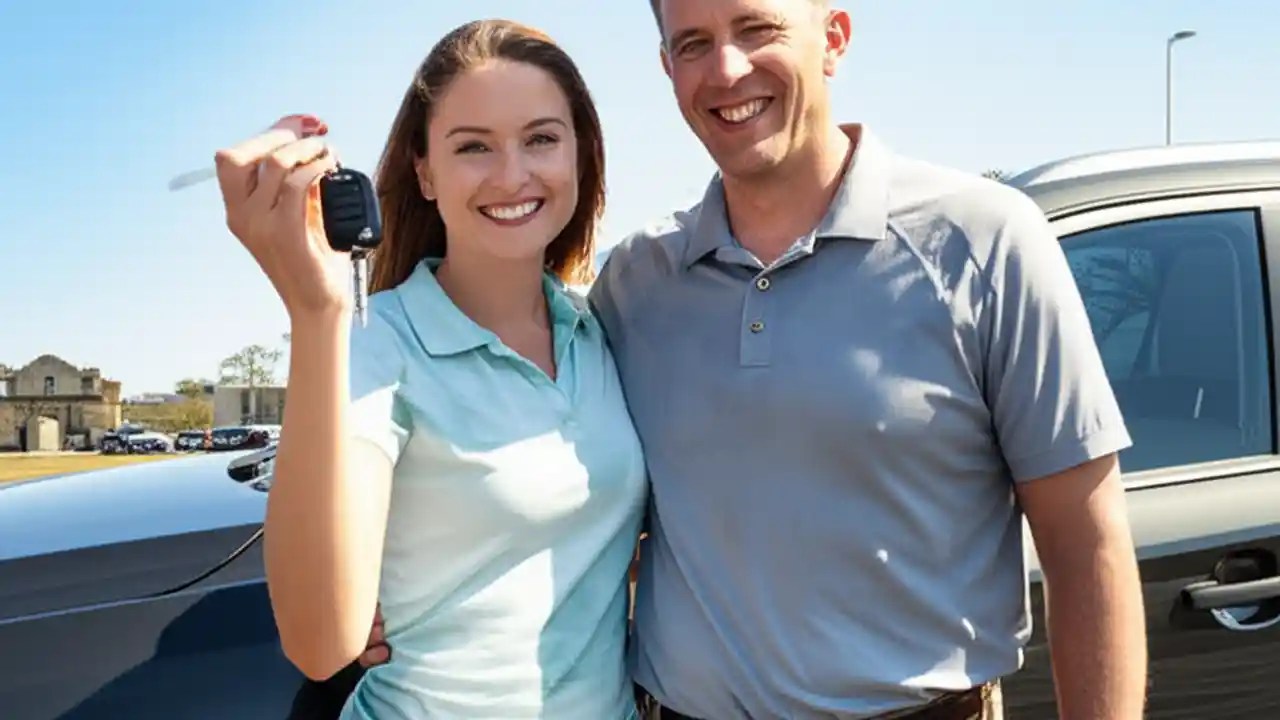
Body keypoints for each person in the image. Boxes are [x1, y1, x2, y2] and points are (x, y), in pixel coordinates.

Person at [364, 2, 1149, 719]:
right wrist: (391, 577)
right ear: (667, 67)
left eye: (757, 28)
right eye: (694, 43)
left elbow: (1088, 552)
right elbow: (556, 493)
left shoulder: (987, 240)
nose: (726, 69)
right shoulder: (634, 284)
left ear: (834, 37)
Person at [212, 19, 647, 720]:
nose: (512, 175)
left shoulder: (602, 327)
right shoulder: (376, 341)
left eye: (540, 138)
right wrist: (317, 311)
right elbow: (322, 645)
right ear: (424, 171)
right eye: (473, 146)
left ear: (581, 154)